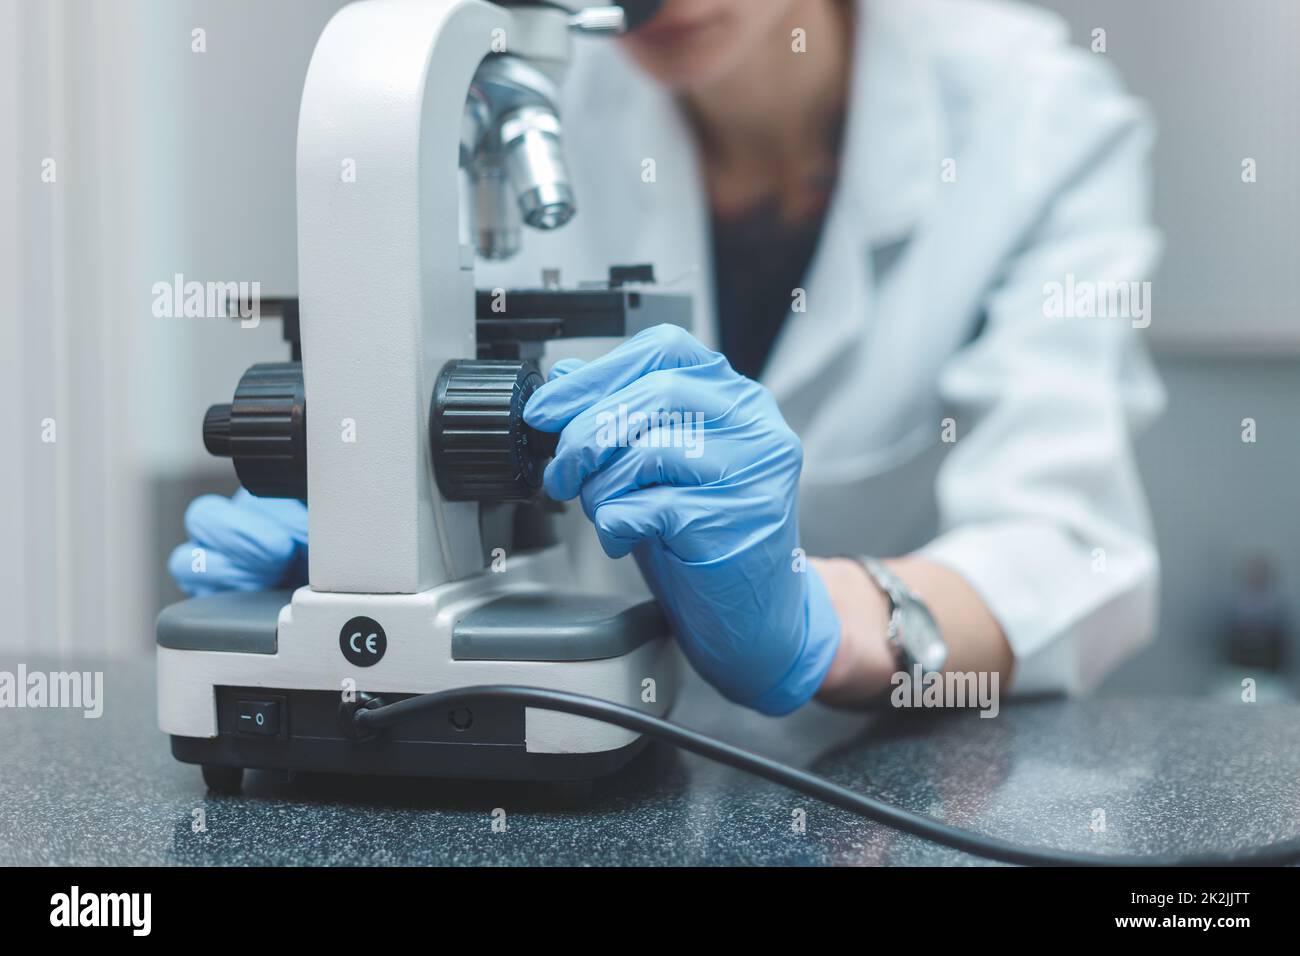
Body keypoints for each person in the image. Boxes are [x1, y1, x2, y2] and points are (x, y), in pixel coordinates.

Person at [170, 0, 1165, 714]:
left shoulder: (1038, 122)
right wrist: (376, 514)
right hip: (597, 755)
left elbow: (1066, 539)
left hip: (905, 773)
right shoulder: (538, 91)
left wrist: (824, 619)